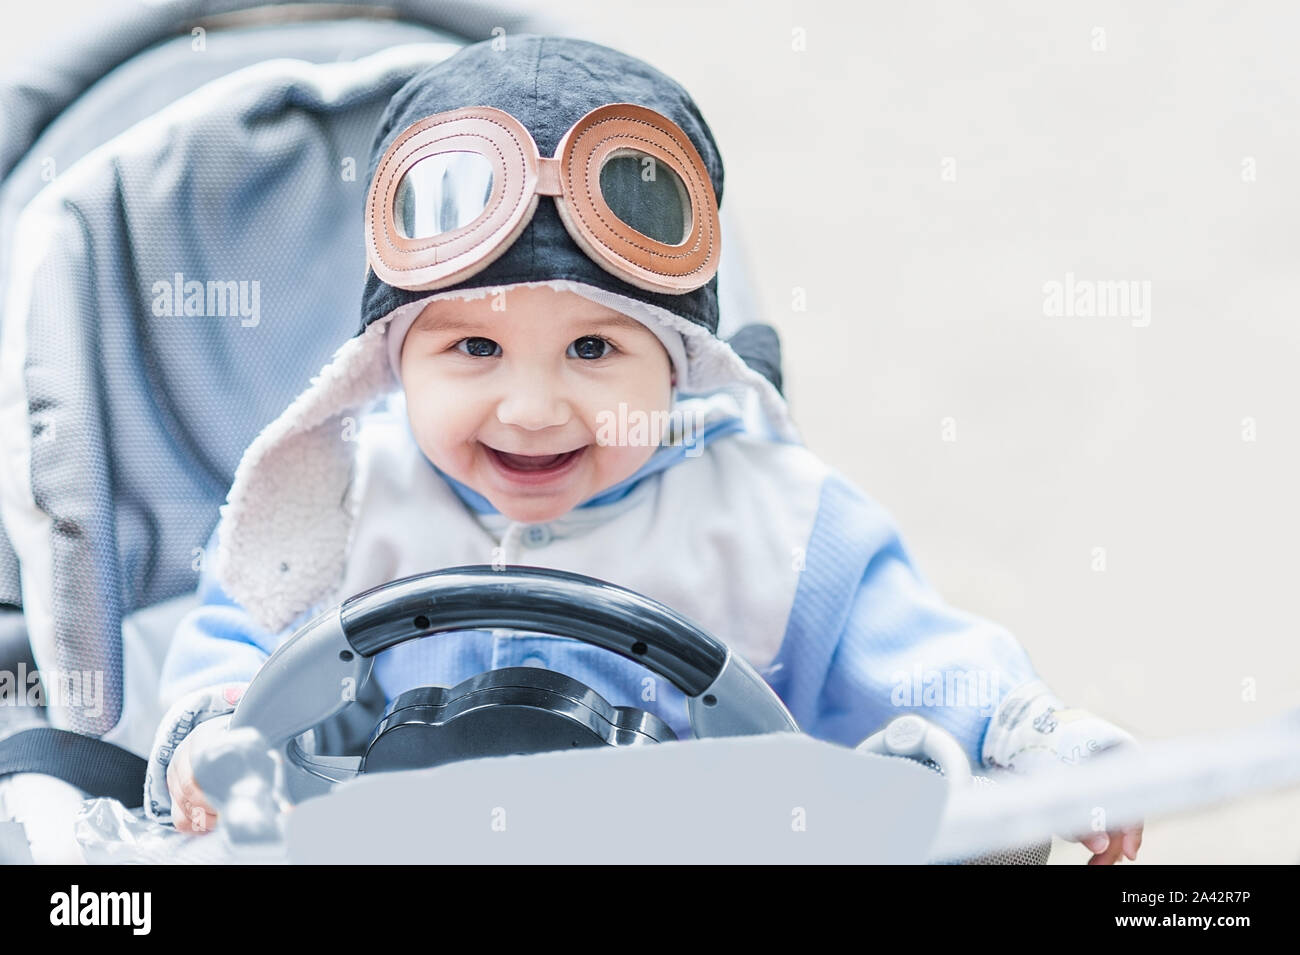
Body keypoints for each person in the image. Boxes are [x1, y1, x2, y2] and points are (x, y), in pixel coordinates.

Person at [145, 33, 1143, 863]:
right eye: (475, 347)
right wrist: (207, 737)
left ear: (678, 367)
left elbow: (920, 659)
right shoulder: (347, 497)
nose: (531, 408)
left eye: (591, 348)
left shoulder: (765, 515)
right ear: (393, 363)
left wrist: (1037, 739)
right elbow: (237, 644)